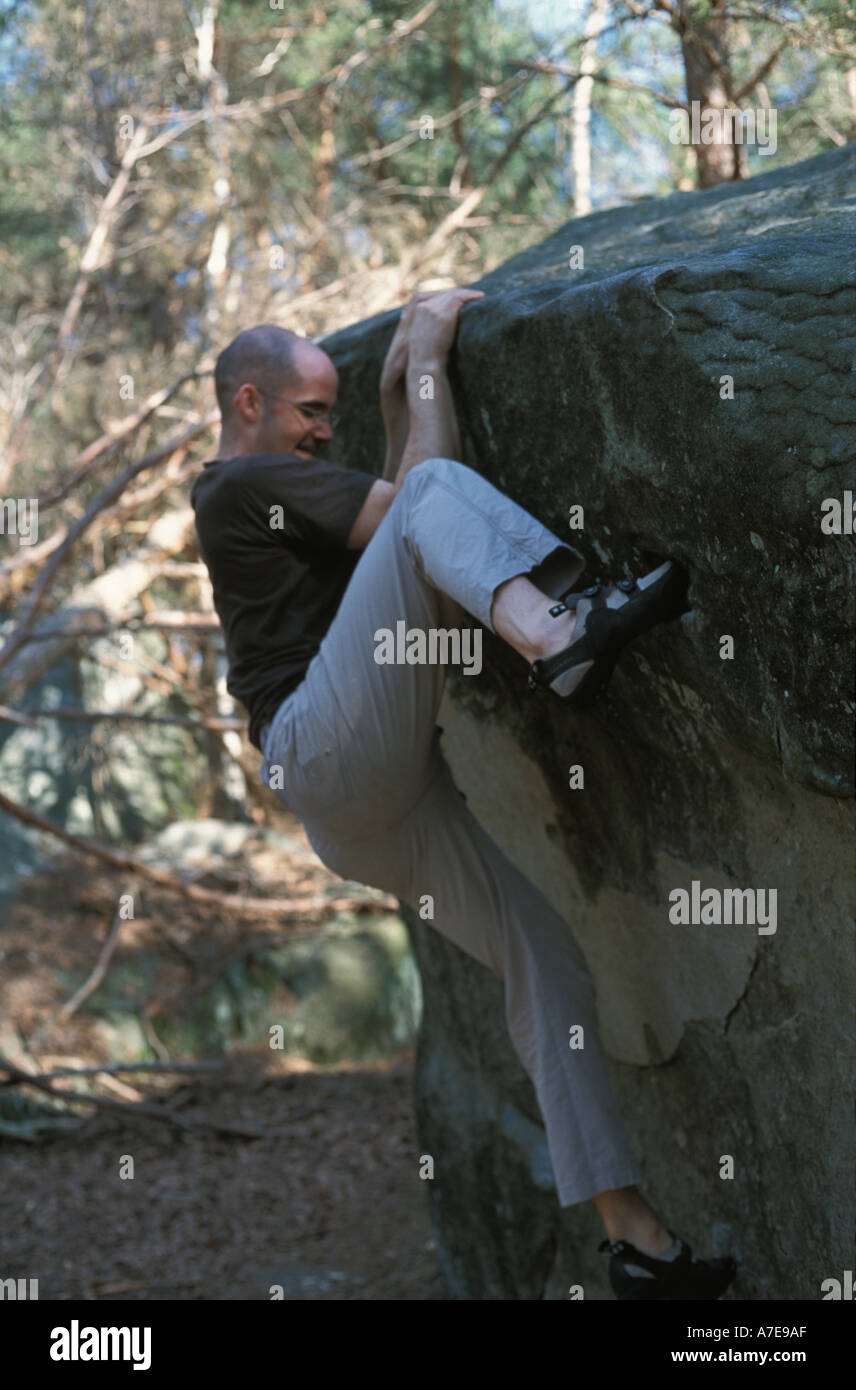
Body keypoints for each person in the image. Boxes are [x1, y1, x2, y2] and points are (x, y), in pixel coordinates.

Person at [190, 290, 737, 1301]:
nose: (324, 431)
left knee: (546, 962)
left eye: (334, 412)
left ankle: (637, 1244)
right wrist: (429, 361)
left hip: (371, 802)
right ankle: (558, 634)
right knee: (433, 493)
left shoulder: (275, 487)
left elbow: (405, 516)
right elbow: (418, 502)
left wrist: (413, 377)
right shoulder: (239, 485)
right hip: (327, 744)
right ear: (248, 400)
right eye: (311, 411)